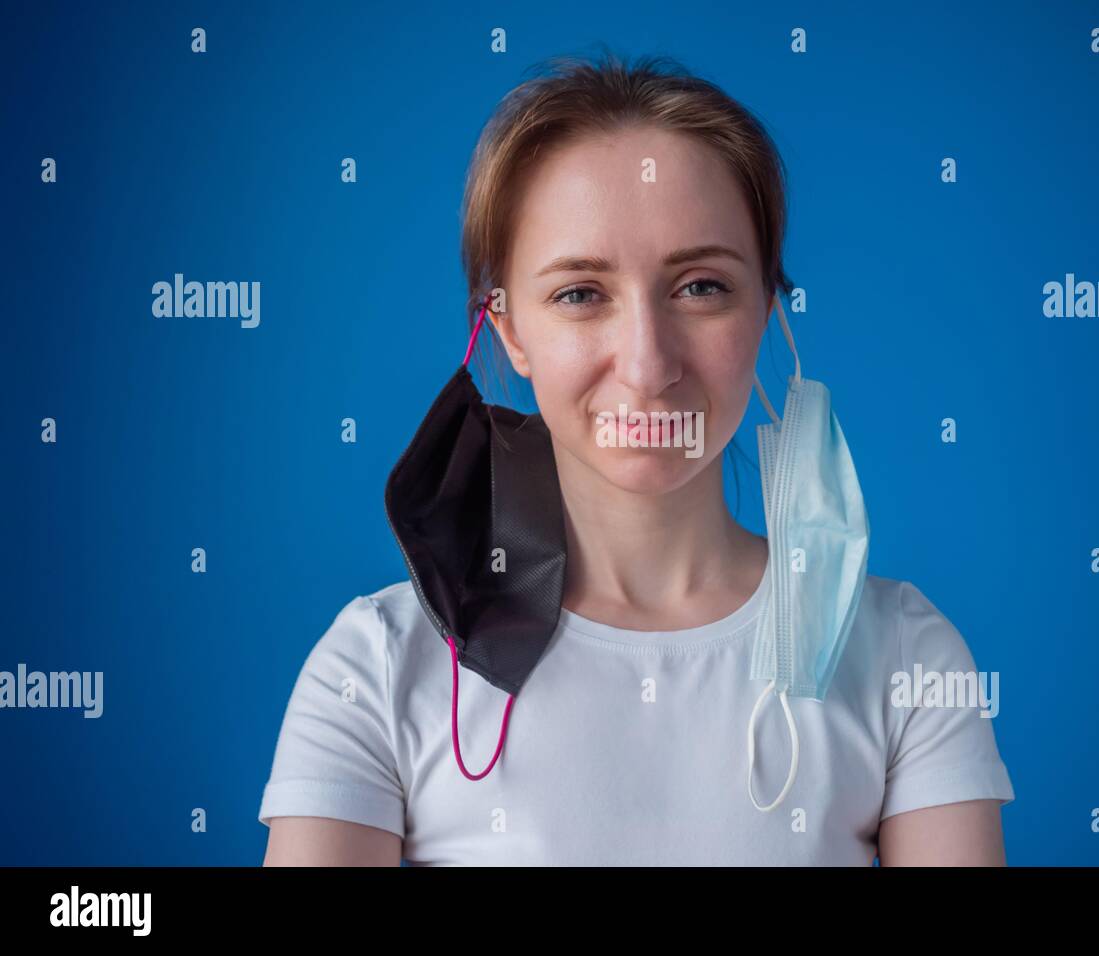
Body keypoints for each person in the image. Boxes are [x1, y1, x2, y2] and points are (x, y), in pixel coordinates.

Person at [259, 50, 1014, 866]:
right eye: (580, 294)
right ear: (506, 328)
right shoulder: (377, 666)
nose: (648, 364)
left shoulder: (903, 654)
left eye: (700, 287)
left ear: (769, 308)